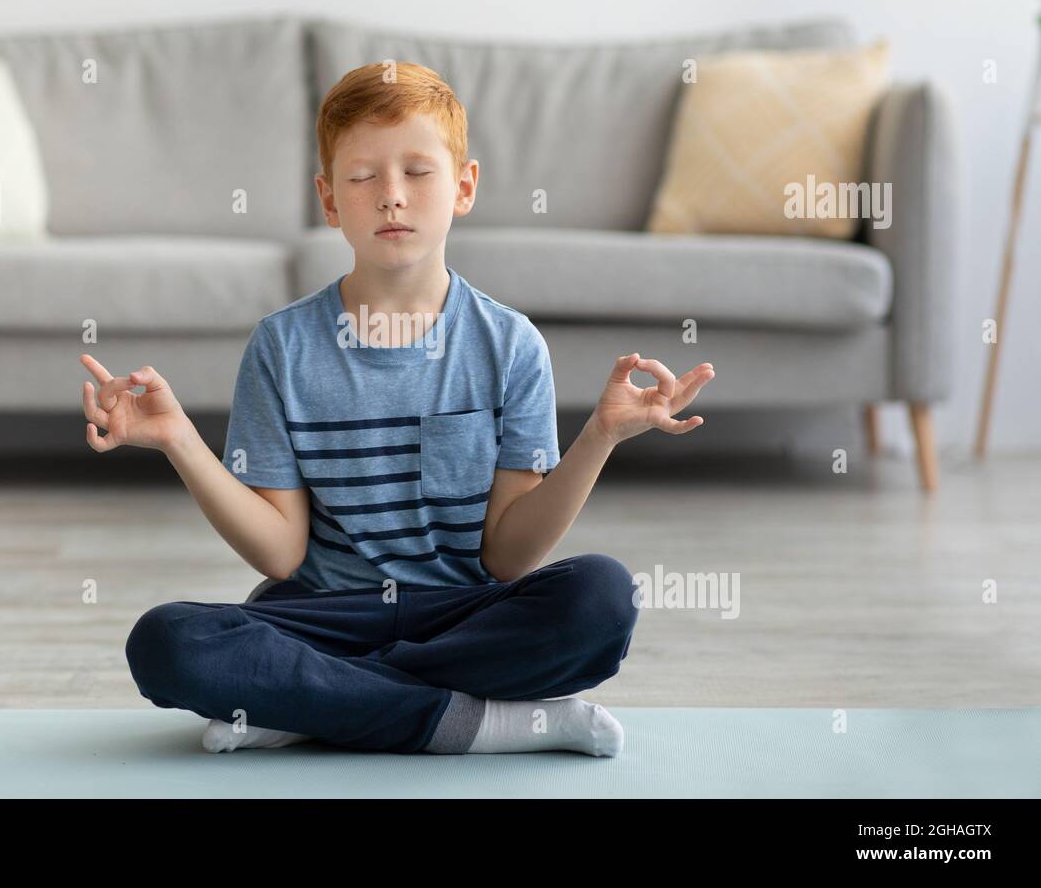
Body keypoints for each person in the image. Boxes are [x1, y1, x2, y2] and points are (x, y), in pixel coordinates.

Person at [79, 61, 714, 756]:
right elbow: (284, 553)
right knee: (168, 641)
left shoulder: (511, 346)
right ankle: (486, 722)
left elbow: (507, 557)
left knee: (602, 597)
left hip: (463, 613)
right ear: (328, 199)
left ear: (463, 186)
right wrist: (180, 441)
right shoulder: (281, 347)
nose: (391, 197)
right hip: (324, 613)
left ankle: (315, 701)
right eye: (362, 177)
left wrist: (599, 435)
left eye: (418, 172)